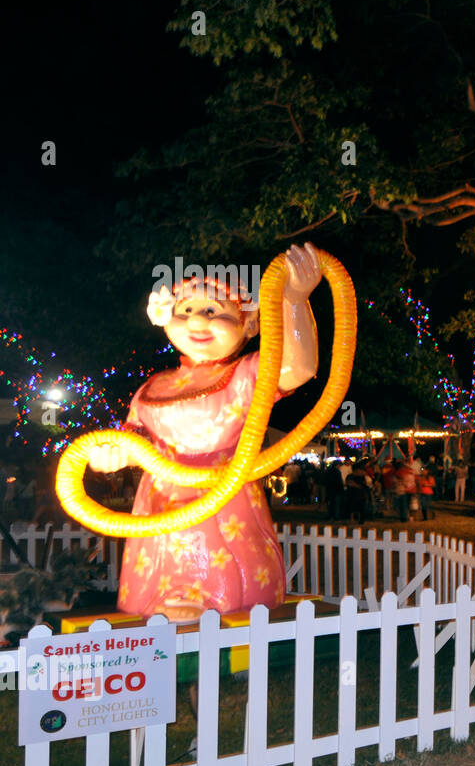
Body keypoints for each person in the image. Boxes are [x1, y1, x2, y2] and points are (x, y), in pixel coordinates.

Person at [83, 242, 322, 620]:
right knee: (154, 579)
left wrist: (294, 299)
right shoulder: (152, 386)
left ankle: (225, 610)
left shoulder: (244, 374)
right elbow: (133, 439)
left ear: (248, 323)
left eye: (214, 311)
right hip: (158, 501)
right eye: (187, 310)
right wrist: (113, 454)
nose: (197, 321)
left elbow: (298, 368)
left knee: (227, 580)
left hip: (224, 493)